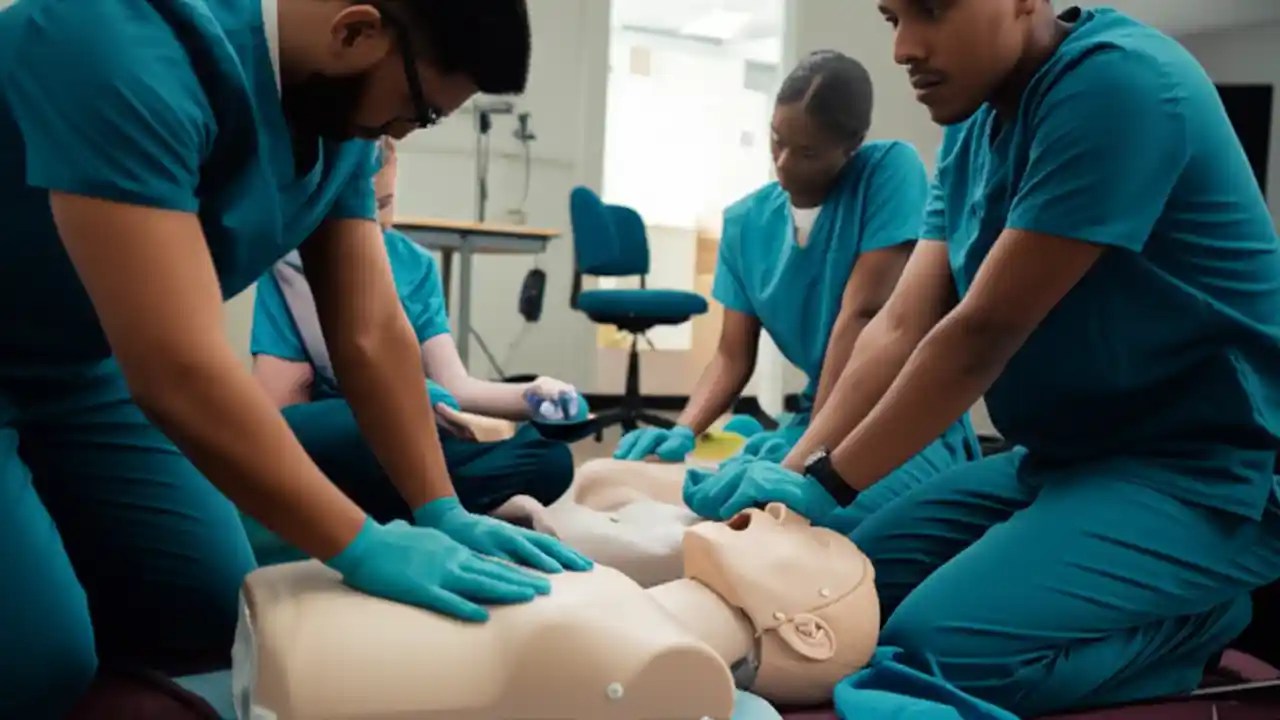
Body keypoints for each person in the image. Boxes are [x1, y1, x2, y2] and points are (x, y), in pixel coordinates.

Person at [682, 1, 1280, 716]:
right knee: (852, 603)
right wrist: (793, 472)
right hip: (1063, 459)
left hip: (1210, 473)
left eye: (930, 10)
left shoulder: (1120, 85)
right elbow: (901, 324)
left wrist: (831, 482)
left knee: (929, 649)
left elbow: (981, 335)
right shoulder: (971, 126)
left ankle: (1196, 627)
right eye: (891, 17)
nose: (904, 47)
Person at [0, 1, 588, 717]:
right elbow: (175, 367)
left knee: (214, 608)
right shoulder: (114, 37)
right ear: (355, 30)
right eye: (417, 111)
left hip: (80, 367)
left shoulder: (334, 113)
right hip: (96, 356)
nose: (405, 133)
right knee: (40, 668)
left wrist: (439, 507)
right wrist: (361, 544)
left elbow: (370, 329)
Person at [616, 50, 978, 532]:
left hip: (898, 416)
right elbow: (730, 356)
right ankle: (759, 439)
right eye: (777, 141)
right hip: (816, 414)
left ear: (851, 147)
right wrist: (685, 429)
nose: (784, 164)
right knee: (719, 500)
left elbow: (864, 315)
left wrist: (807, 457)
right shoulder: (746, 222)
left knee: (822, 526)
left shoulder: (888, 172)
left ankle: (770, 443)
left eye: (807, 153)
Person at [248, 137, 579, 564]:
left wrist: (534, 395)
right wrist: (410, 400)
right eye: (365, 210)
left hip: (415, 435)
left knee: (551, 460)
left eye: (385, 206)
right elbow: (281, 415)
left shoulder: (414, 264)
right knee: (320, 434)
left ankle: (421, 502)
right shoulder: (289, 267)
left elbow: (454, 385)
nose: (376, 227)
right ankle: (472, 501)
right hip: (346, 431)